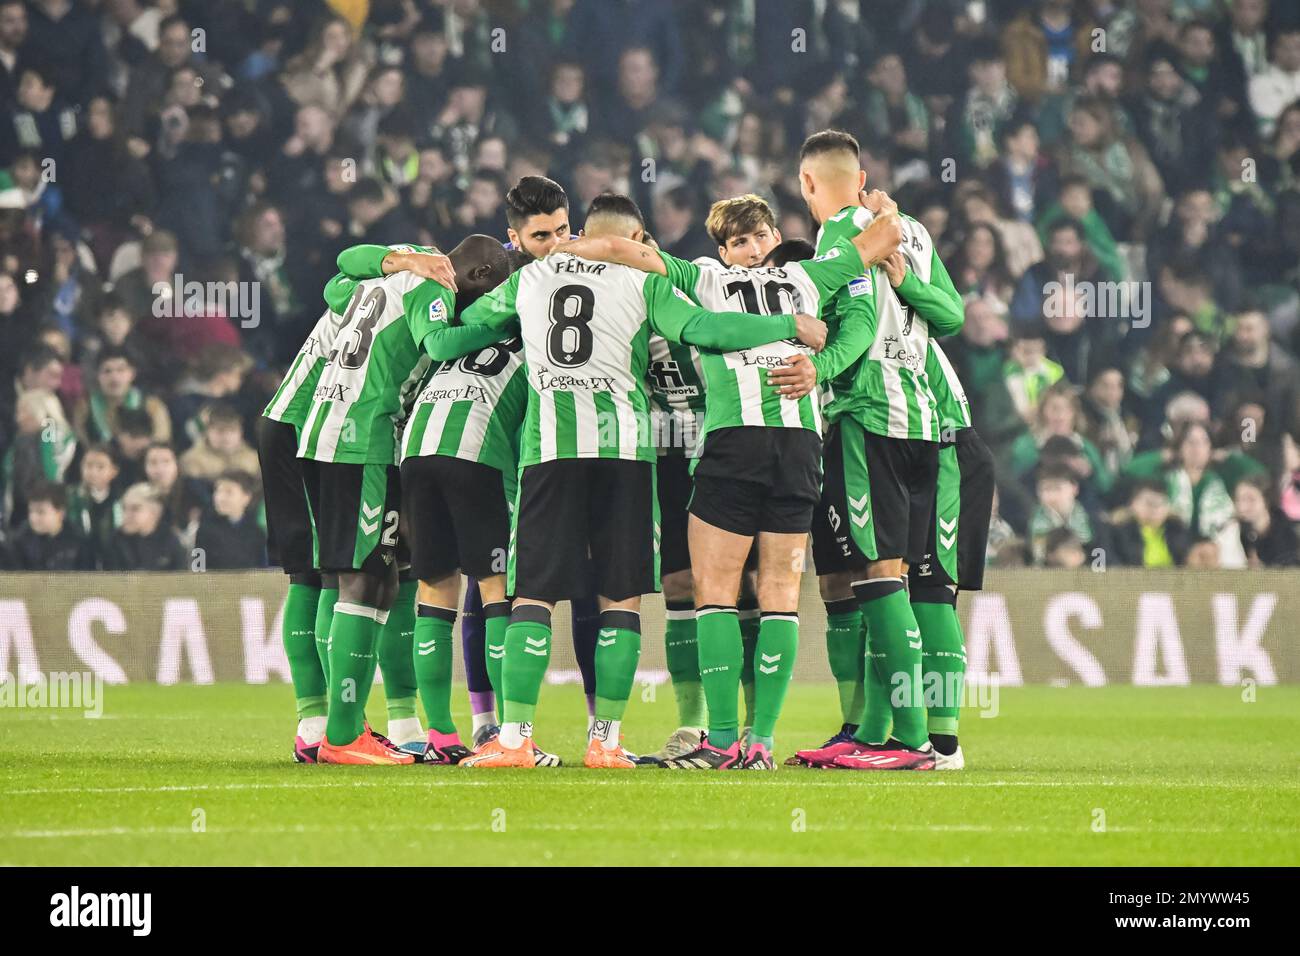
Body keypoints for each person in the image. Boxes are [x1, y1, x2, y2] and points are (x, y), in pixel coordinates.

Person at [457, 192, 826, 770]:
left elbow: (472, 321)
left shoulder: (534, 276)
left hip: (551, 450)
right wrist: (790, 324)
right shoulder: (646, 284)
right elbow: (705, 328)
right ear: (635, 241)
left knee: (530, 595)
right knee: (621, 597)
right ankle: (605, 741)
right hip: (627, 451)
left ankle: (513, 739)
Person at [556, 194, 900, 769]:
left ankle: (718, 740)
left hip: (733, 442)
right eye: (745, 239)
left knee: (712, 594)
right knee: (780, 599)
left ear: (760, 241)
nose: (755, 246)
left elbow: (620, 248)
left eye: (759, 236)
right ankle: (761, 742)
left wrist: (561, 250)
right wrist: (884, 222)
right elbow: (882, 236)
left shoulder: (705, 278)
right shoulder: (807, 276)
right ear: (733, 247)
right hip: (798, 446)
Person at [782, 130, 966, 772]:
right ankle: (936, 742)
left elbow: (857, 322)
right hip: (926, 419)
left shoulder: (841, 234)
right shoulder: (910, 229)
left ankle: (906, 741)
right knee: (926, 585)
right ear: (862, 176)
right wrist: (909, 282)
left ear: (809, 183)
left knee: (878, 577)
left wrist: (820, 368)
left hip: (870, 417)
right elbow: (952, 314)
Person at [297, 234, 513, 766]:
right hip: (362, 436)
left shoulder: (383, 279)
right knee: (365, 578)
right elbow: (439, 344)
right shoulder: (433, 284)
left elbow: (334, 277)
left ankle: (344, 725)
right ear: (478, 276)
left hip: (326, 428)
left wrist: (395, 259)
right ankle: (343, 734)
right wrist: (502, 324)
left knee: (374, 576)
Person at [103, 481, 188, 571]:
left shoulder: (171, 542)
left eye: (135, 509)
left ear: (155, 512)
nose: (126, 515)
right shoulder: (116, 541)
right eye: (124, 508)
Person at [8, 480, 91, 570]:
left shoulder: (78, 542)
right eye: (31, 511)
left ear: (60, 513)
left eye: (41, 512)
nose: (33, 518)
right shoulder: (20, 541)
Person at [194, 470, 265, 569]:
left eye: (229, 492)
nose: (220, 497)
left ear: (246, 497)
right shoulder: (205, 530)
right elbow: (197, 570)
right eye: (218, 491)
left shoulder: (256, 533)